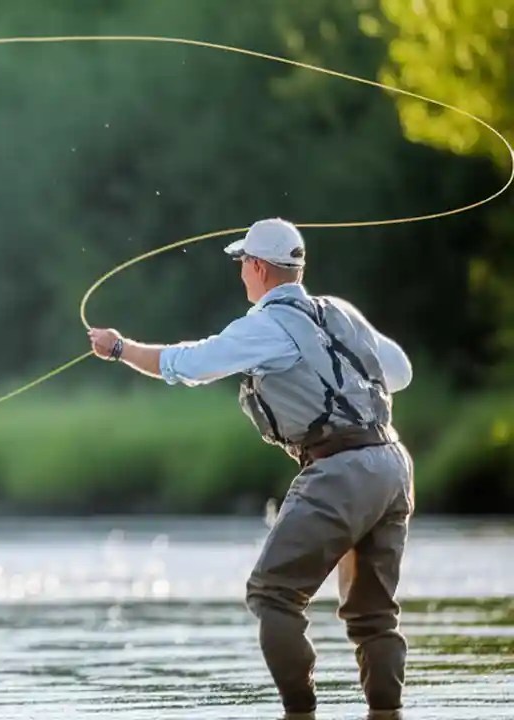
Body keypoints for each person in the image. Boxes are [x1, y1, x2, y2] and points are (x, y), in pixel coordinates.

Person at [87, 218, 414, 719]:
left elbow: (188, 365)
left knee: (273, 594)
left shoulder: (266, 326)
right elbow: (401, 373)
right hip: (392, 465)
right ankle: (387, 712)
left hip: (340, 468)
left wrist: (118, 348)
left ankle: (299, 712)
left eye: (243, 263)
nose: (241, 273)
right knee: (374, 614)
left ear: (258, 266)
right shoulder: (341, 312)